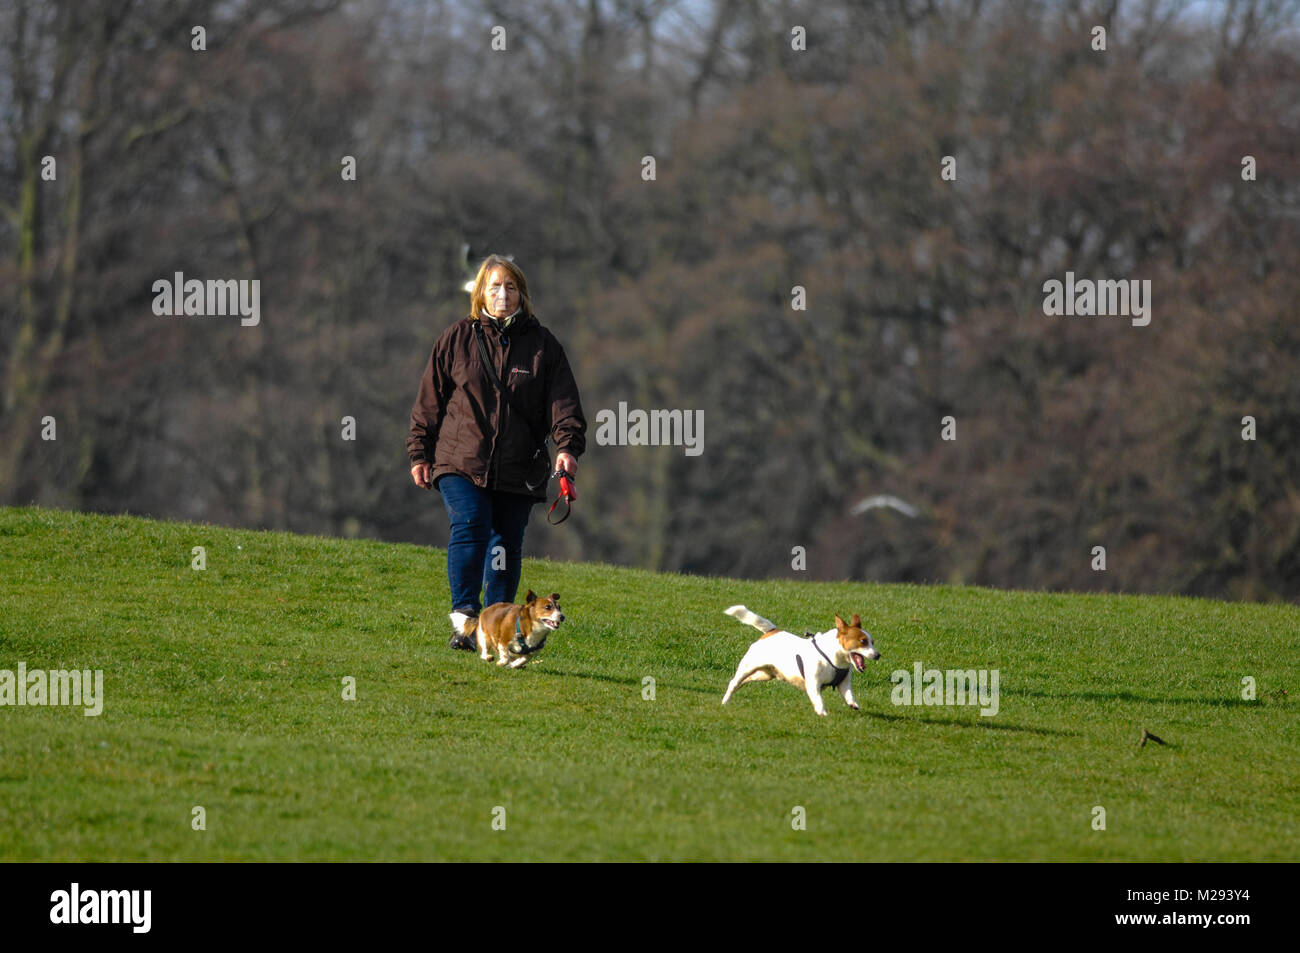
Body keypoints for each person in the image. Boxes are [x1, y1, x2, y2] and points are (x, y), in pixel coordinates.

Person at [407, 255, 586, 649]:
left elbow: (564, 404)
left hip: (519, 467)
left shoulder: (544, 346)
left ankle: (497, 631)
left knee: (505, 544)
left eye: (510, 287)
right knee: (470, 524)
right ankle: (465, 619)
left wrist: (567, 448)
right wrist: (420, 452)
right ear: (480, 294)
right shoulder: (456, 338)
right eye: (493, 287)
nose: (502, 294)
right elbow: (428, 402)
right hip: (460, 460)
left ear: (521, 292)